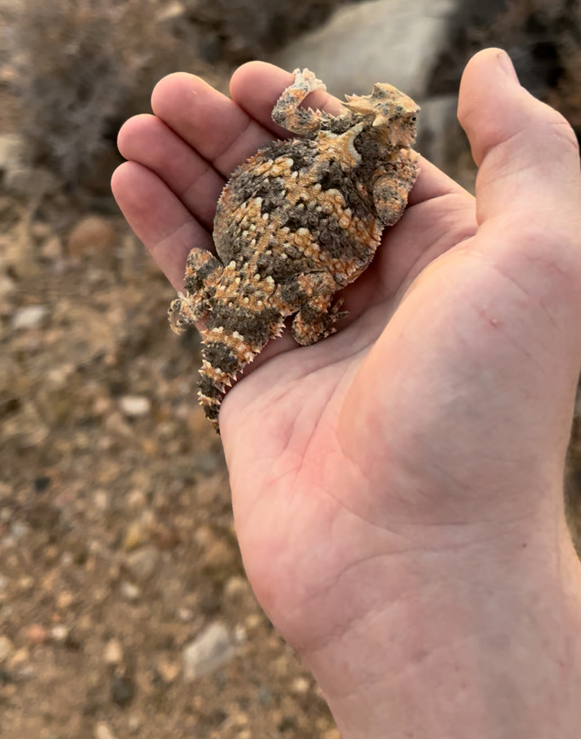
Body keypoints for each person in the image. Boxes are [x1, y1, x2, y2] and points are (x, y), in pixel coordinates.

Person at [111, 48, 581, 739]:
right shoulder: (385, 171)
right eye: (399, 120)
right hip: (286, 256)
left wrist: (307, 92)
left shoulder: (312, 128)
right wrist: (388, 167)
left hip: (247, 241)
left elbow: (290, 107)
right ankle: (294, 321)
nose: (405, 127)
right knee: (288, 297)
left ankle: (215, 300)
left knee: (243, 275)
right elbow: (387, 207)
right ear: (381, 123)